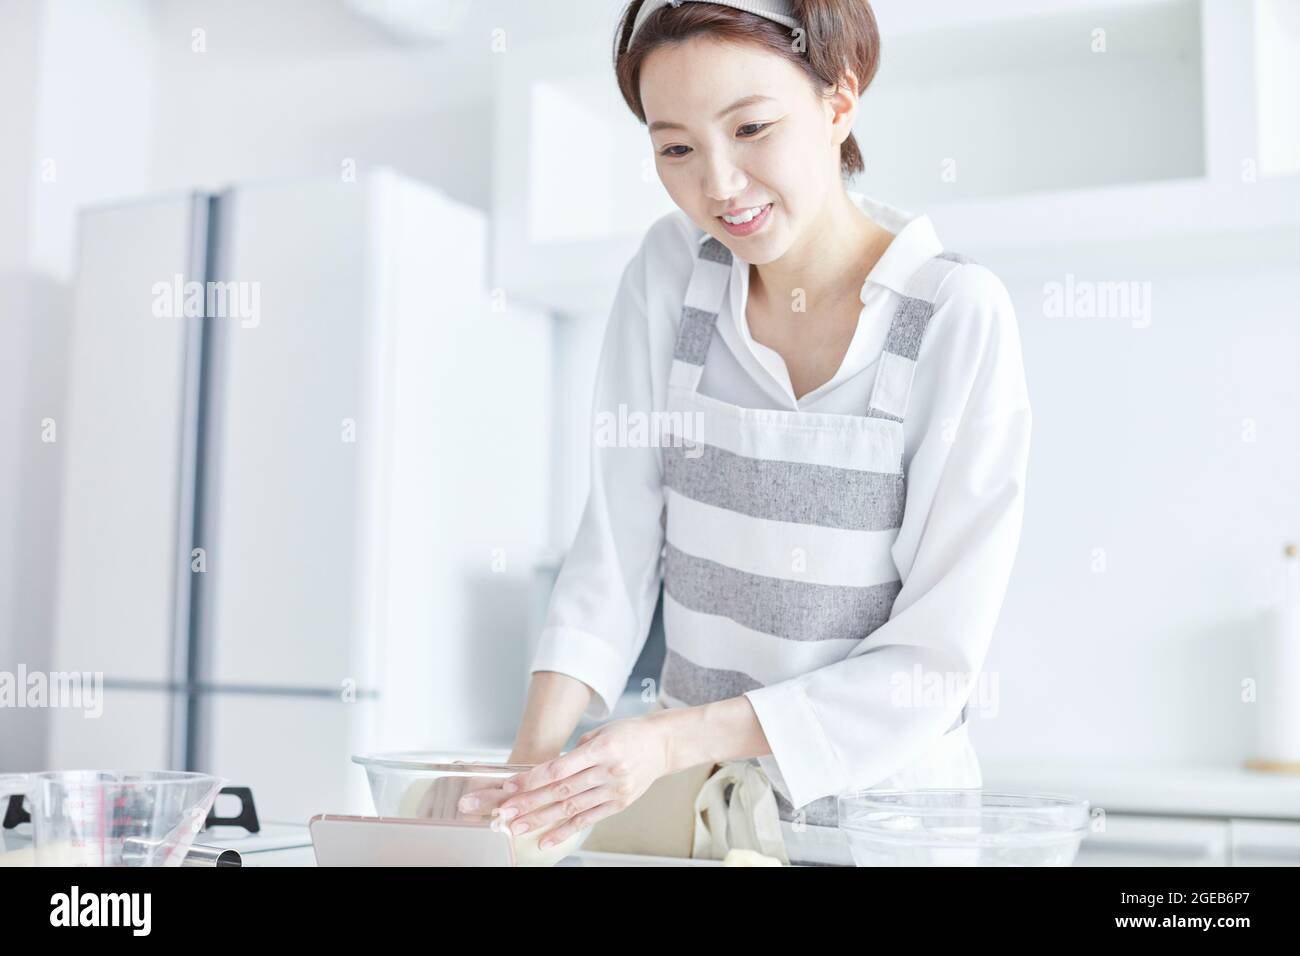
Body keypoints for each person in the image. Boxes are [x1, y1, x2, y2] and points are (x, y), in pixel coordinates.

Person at [460, 0, 1032, 861]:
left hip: (886, 829)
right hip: (702, 819)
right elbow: (613, 553)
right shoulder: (669, 276)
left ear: (839, 102)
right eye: (676, 148)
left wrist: (669, 740)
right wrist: (526, 783)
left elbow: (930, 663)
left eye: (753, 128)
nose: (718, 185)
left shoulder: (953, 316)